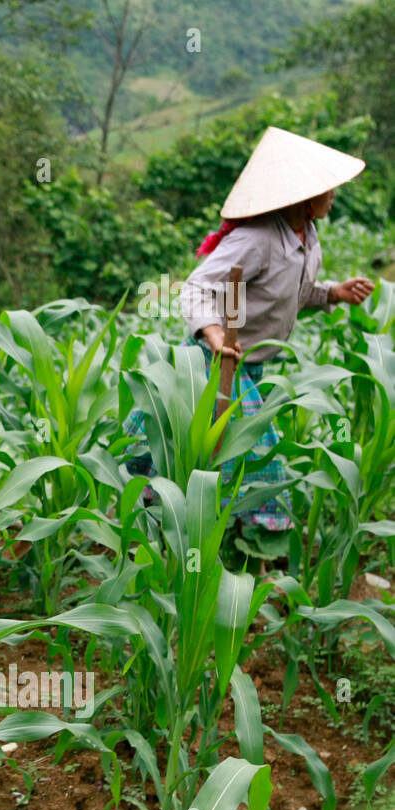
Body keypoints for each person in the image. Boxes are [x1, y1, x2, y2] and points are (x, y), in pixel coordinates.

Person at [125, 127, 373, 530]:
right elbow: (195, 288)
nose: (333, 195)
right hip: (218, 365)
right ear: (304, 196)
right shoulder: (255, 239)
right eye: (328, 189)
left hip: (251, 368)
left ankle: (213, 530)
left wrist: (333, 294)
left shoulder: (307, 236)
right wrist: (216, 335)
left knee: (223, 456)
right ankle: (224, 539)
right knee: (249, 458)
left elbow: (292, 292)